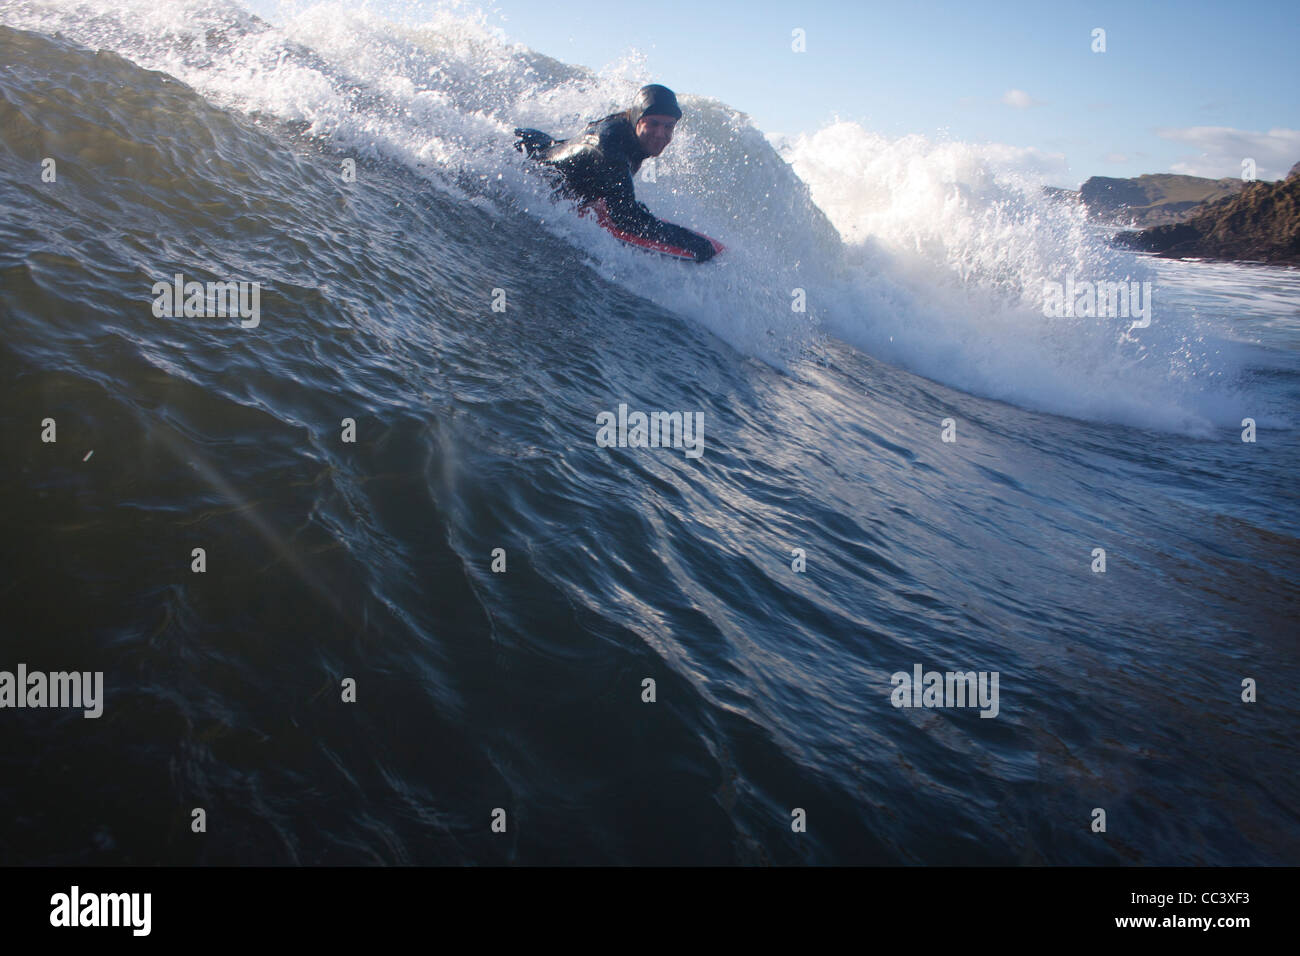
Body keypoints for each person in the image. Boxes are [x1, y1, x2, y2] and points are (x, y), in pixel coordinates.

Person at [514, 84, 717, 262]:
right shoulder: (611, 148)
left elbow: (613, 188)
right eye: (653, 123)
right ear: (638, 119)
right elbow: (625, 219)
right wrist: (695, 244)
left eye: (668, 126)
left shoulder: (630, 134)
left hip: (546, 147)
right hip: (529, 163)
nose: (660, 133)